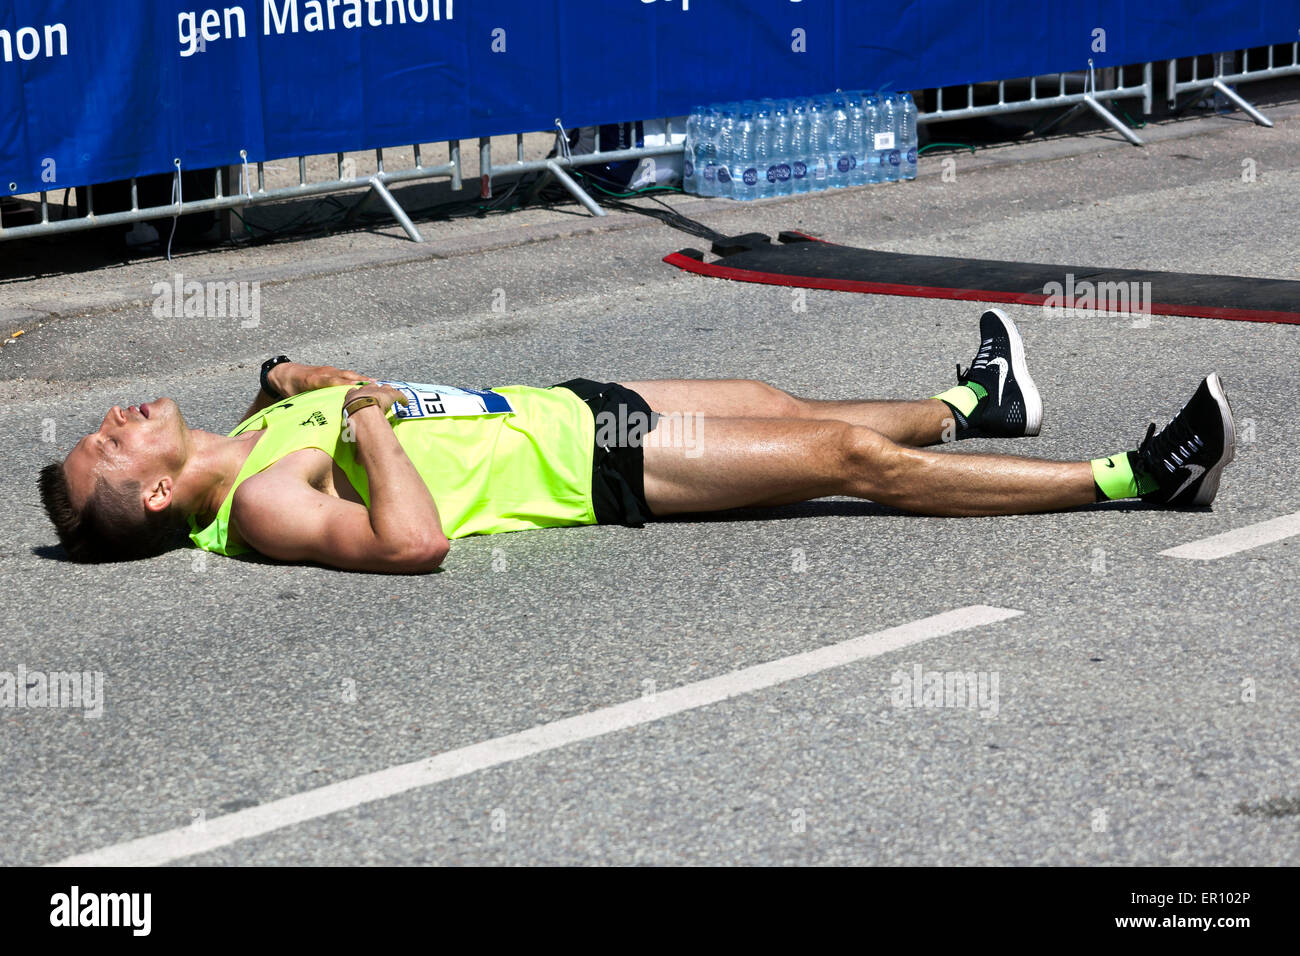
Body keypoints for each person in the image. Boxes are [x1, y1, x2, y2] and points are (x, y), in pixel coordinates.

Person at [39, 309, 1235, 574]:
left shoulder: (246, 430)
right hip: (599, 470)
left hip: (561, 405)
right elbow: (411, 542)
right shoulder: (251, 507)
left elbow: (328, 393)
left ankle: (976, 406)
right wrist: (361, 415)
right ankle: (1136, 478)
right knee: (846, 467)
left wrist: (294, 372)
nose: (116, 415)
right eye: (109, 443)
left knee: (780, 399)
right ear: (151, 500)